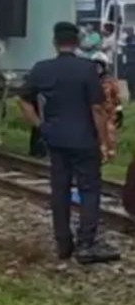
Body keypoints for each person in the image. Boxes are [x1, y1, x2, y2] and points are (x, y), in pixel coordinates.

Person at [19, 22, 120, 264]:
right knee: (89, 189)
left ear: (55, 43)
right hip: (84, 139)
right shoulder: (87, 70)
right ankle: (87, 244)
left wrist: (40, 126)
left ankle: (63, 244)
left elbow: (23, 100)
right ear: (76, 44)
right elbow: (97, 108)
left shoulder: (41, 69)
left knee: (60, 190)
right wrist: (104, 141)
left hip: (55, 139)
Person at [91, 52, 123, 154]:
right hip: (94, 114)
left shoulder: (110, 81)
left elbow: (116, 97)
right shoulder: (88, 81)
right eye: (95, 65)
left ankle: (109, 154)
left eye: (99, 66)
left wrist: (119, 111)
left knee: (109, 135)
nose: (97, 68)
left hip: (109, 114)